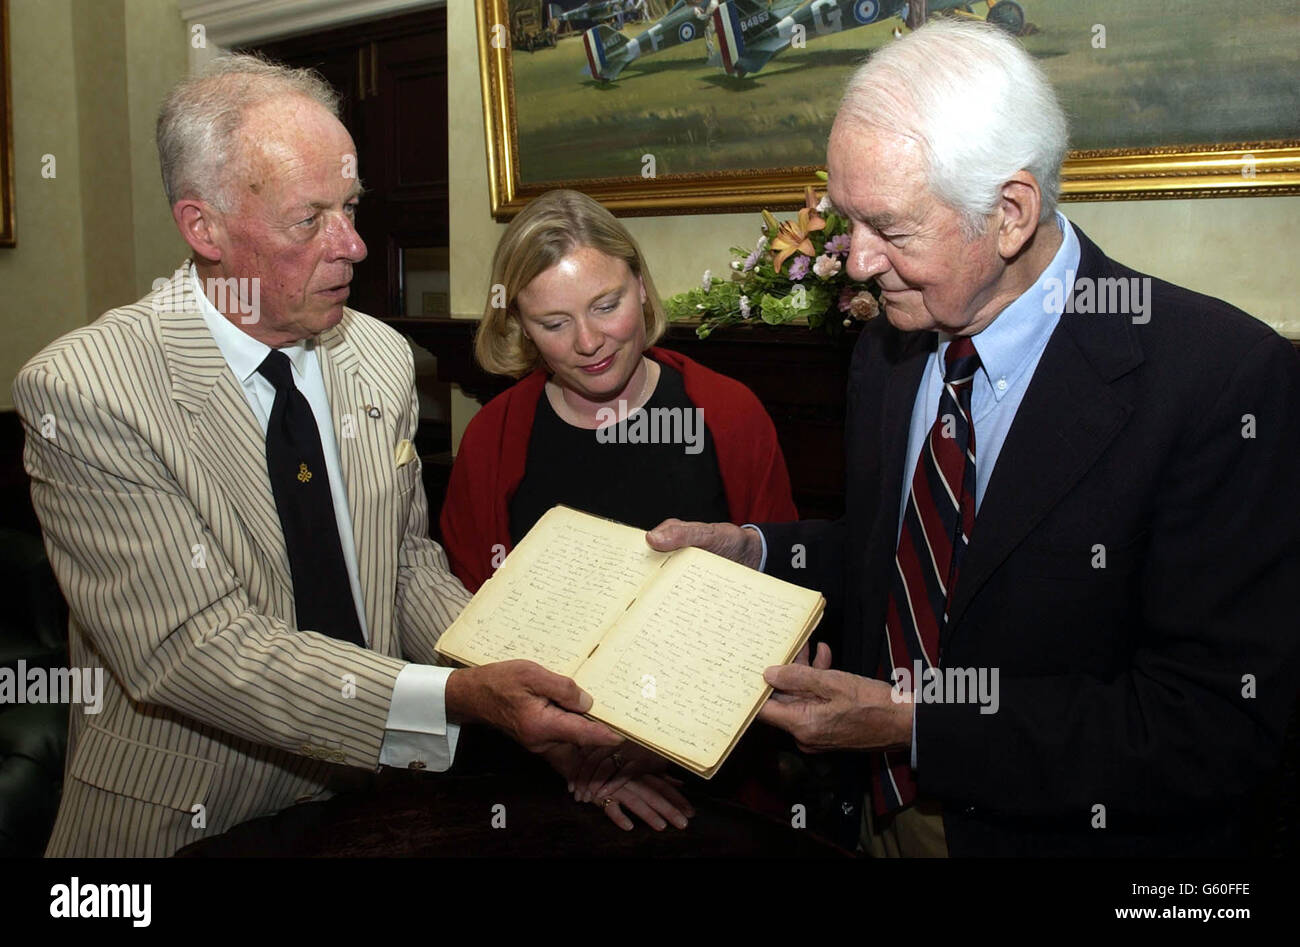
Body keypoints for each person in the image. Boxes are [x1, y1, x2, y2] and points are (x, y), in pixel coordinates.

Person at [648, 19, 1300, 856]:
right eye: (849, 223)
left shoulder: (1216, 380)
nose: (856, 264)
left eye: (891, 229)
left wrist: (915, 725)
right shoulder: (889, 349)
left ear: (1011, 214)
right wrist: (757, 552)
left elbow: (1211, 722)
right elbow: (906, 559)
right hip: (874, 818)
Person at [12, 55, 620, 858]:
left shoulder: (379, 357)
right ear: (205, 227)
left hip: (369, 805)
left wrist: (525, 669)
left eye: (352, 207)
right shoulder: (88, 390)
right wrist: (460, 696)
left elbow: (403, 567)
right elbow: (196, 649)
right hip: (175, 823)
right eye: (311, 220)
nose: (356, 246)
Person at [439, 188, 799, 829]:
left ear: (641, 287)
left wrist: (651, 749)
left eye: (607, 306)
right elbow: (474, 639)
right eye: (553, 322)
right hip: (539, 777)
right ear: (518, 324)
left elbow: (785, 593)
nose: (588, 341)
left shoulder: (729, 414)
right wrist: (577, 760)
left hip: (712, 771)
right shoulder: (493, 439)